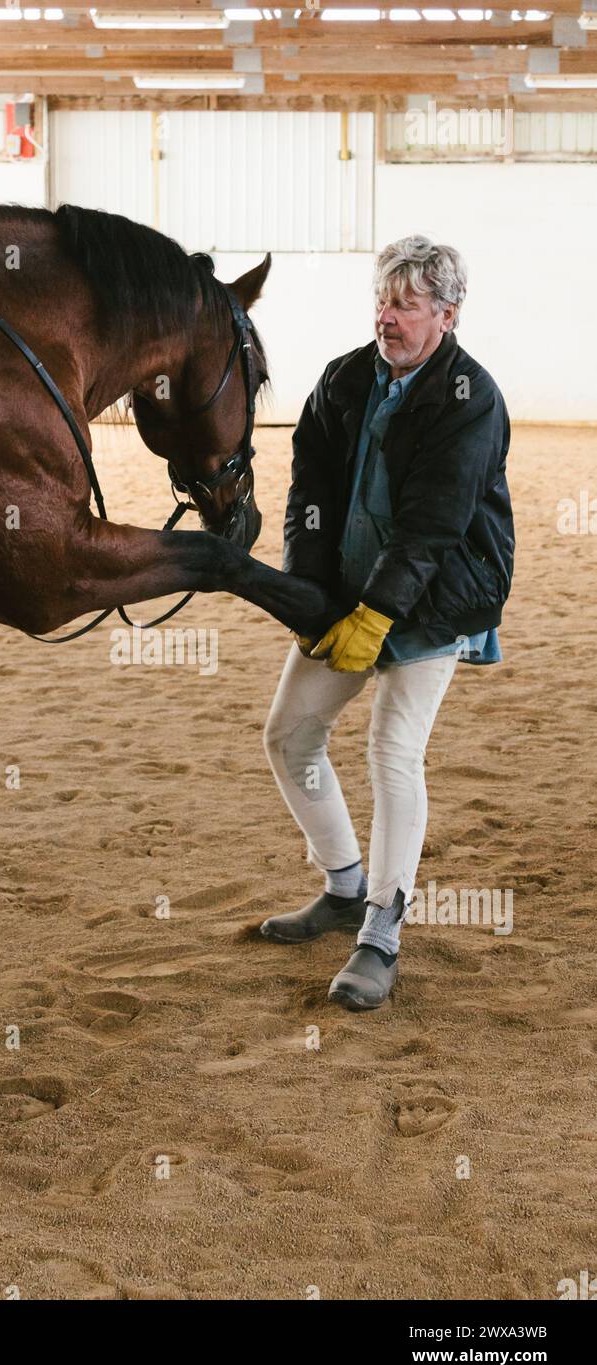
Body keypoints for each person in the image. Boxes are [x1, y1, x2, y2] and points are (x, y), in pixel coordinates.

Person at [261, 234, 514, 1011]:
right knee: (288, 734)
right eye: (383, 300)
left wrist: (378, 613)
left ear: (447, 314)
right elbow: (309, 484)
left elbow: (435, 523)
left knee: (392, 751)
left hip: (438, 596)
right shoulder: (344, 379)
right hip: (346, 590)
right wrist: (310, 587)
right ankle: (343, 887)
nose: (388, 316)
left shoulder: (471, 398)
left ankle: (381, 933)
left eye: (406, 304)